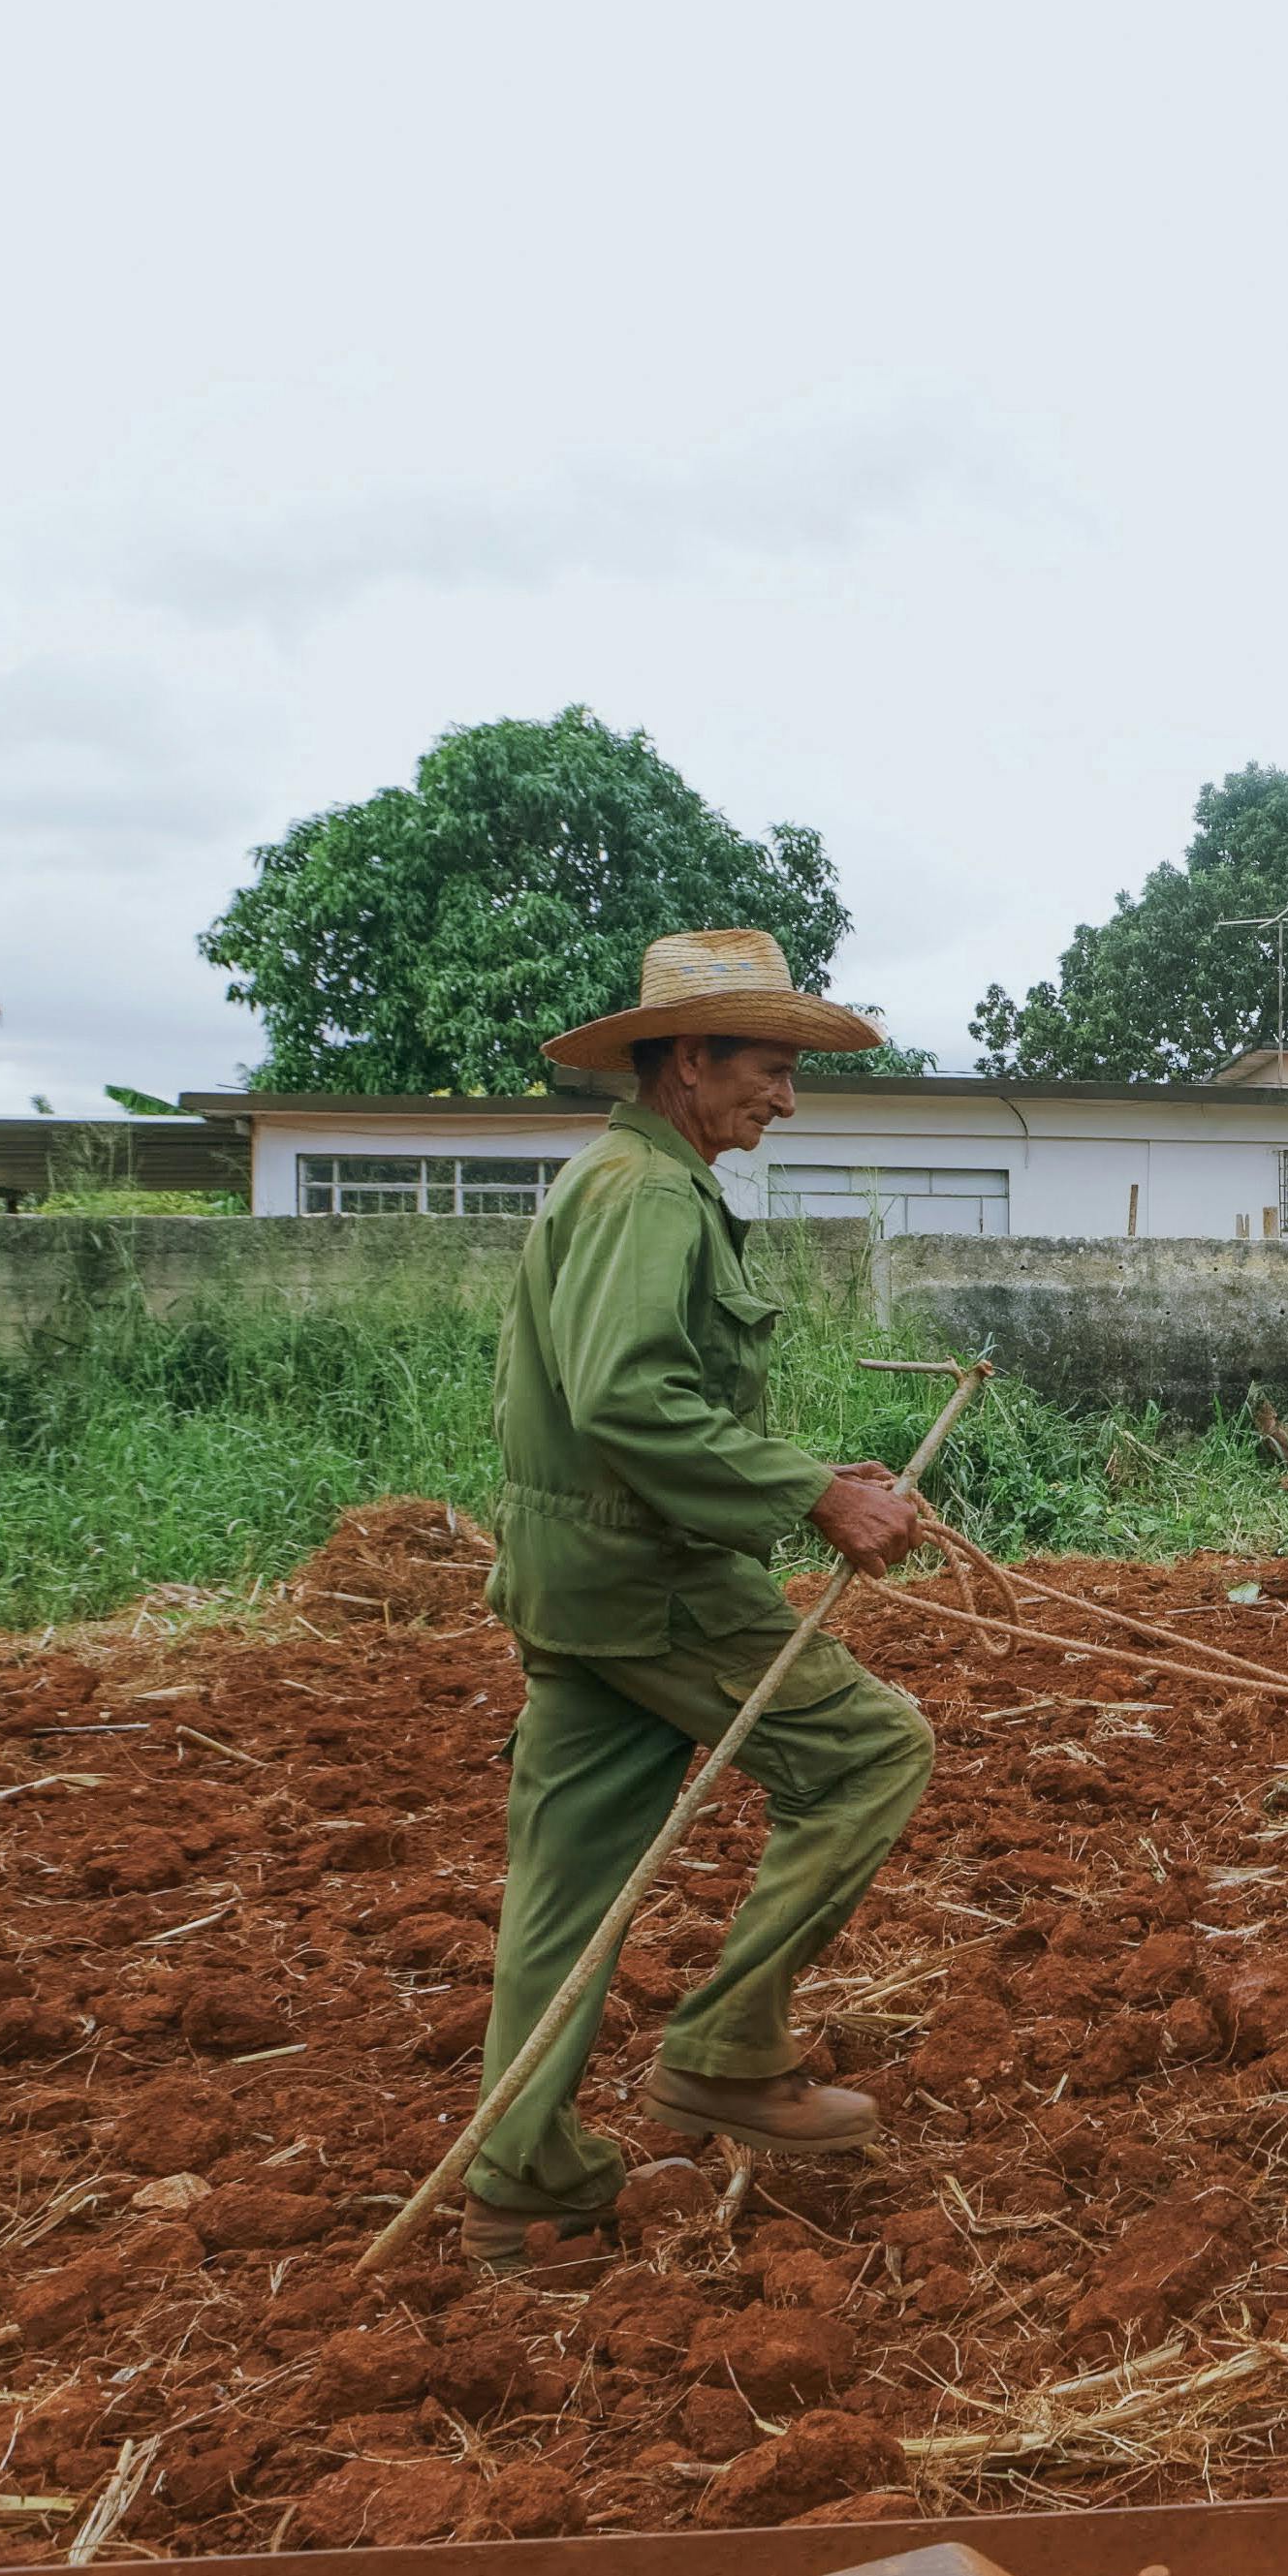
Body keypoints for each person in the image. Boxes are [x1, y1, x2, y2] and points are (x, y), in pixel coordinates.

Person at [460, 929, 940, 2281]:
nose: (785, 1099)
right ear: (687, 1060)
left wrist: (800, 1478)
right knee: (868, 1752)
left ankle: (521, 2188)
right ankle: (728, 2052)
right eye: (770, 1069)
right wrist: (814, 1497)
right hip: (651, 1584)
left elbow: (634, 1399)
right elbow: (627, 1400)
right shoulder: (649, 1196)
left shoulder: (621, 1181)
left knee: (565, 1898)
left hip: (580, 1587)